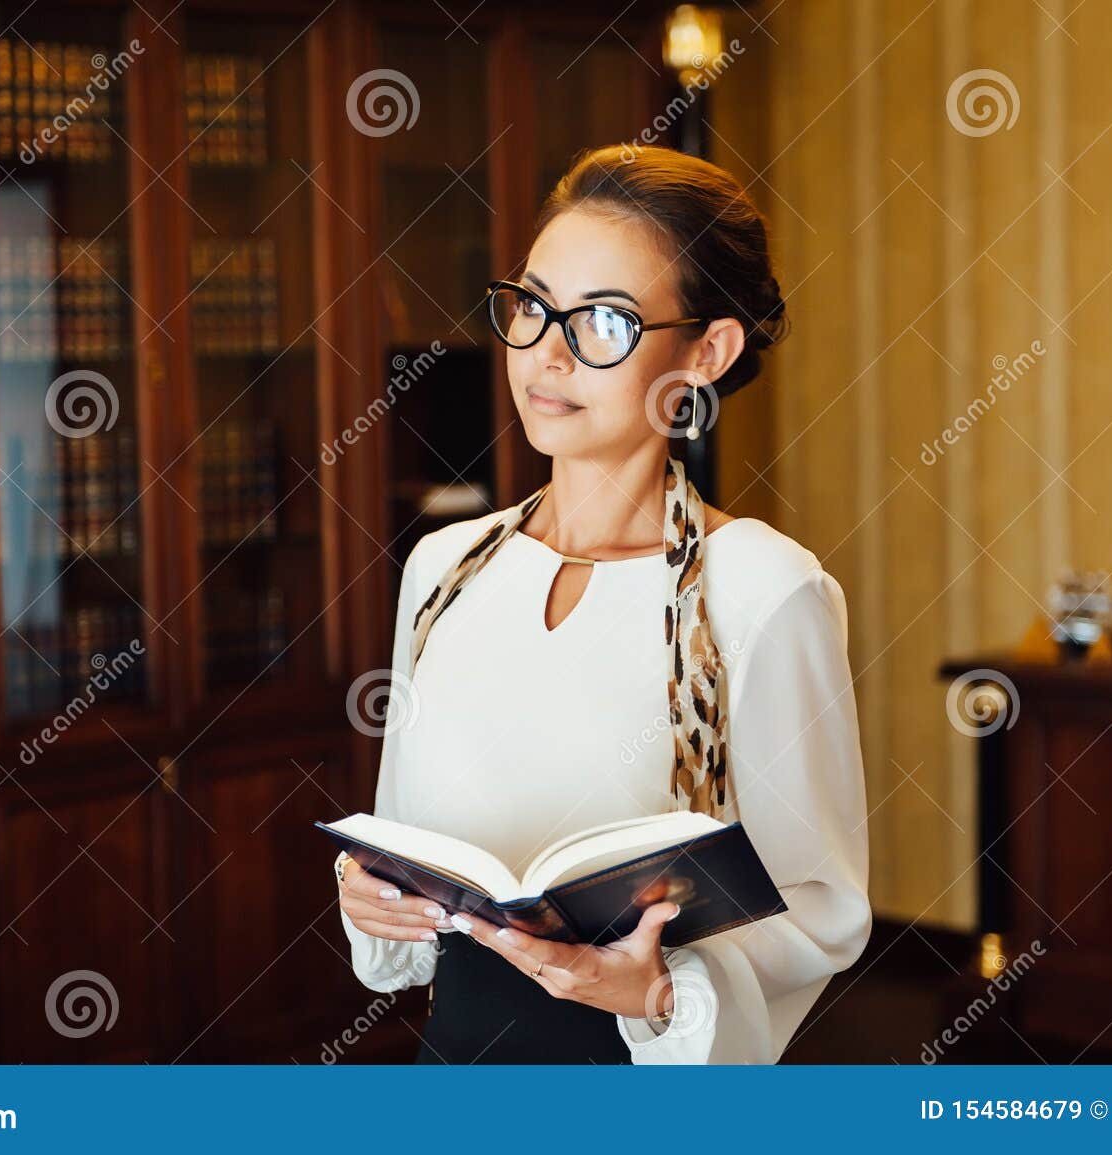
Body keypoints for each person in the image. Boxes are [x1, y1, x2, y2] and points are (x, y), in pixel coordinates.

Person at [337, 144, 871, 1064]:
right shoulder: (443, 568)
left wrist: (665, 988)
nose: (548, 355)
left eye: (606, 324)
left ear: (706, 351)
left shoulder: (761, 588)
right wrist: (370, 891)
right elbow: (402, 841)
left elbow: (823, 909)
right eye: (534, 307)